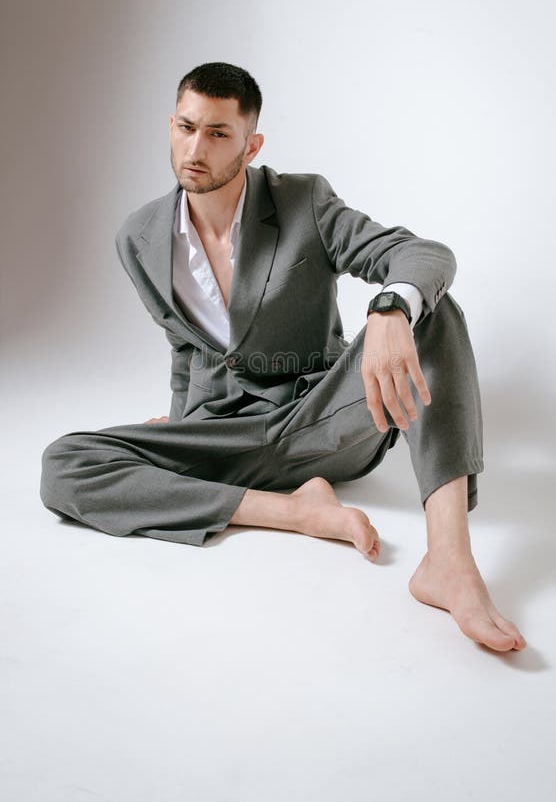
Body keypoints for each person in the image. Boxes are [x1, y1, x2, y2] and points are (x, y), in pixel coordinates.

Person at [40, 62, 526, 653]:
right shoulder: (139, 237)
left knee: (435, 312)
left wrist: (390, 309)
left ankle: (448, 561)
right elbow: (184, 346)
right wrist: (182, 430)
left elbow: (421, 254)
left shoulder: (303, 202)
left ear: (251, 146)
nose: (195, 148)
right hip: (229, 435)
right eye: (186, 127)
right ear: (171, 125)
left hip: (323, 418)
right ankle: (296, 511)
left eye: (218, 133)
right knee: (64, 463)